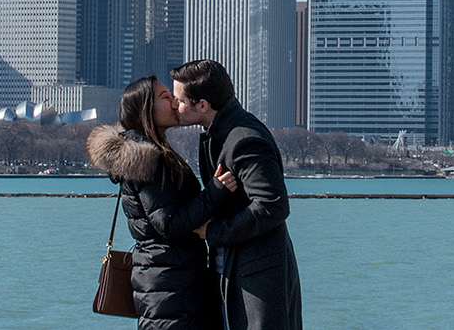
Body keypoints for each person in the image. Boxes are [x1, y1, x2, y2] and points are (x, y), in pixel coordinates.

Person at [87, 75, 237, 330]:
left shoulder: (152, 152)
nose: (175, 102)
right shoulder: (146, 158)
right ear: (145, 109)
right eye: (166, 97)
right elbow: (169, 224)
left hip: (169, 281)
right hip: (170, 287)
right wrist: (216, 191)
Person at [170, 59, 302, 330]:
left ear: (203, 105)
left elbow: (273, 206)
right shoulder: (220, 132)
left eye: (179, 99)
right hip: (239, 269)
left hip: (258, 277)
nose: (175, 105)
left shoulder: (243, 138)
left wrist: (215, 232)